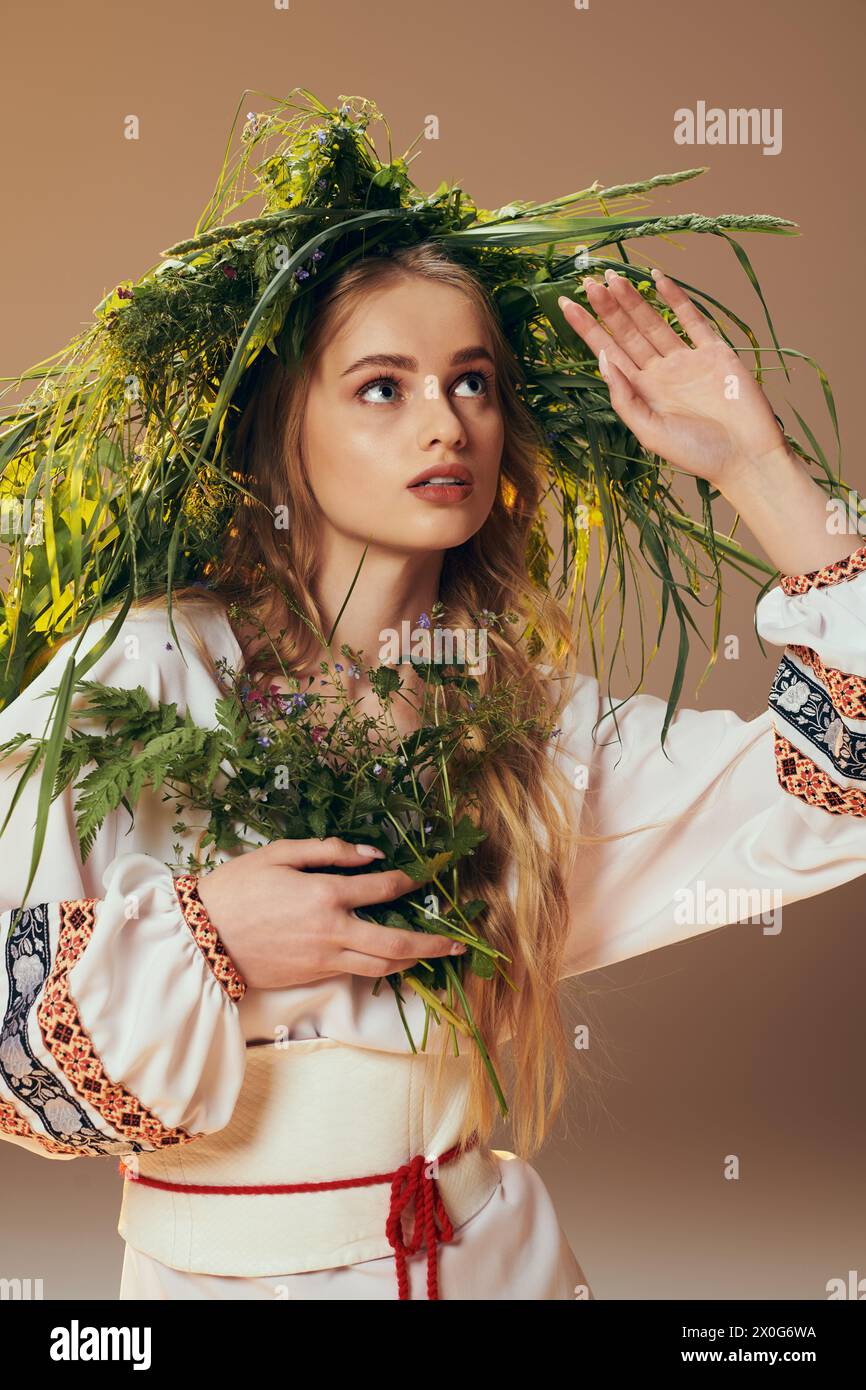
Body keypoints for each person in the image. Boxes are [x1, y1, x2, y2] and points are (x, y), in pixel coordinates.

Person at [1, 238, 864, 1301]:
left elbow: (831, 783)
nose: (445, 422)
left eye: (471, 382)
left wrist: (753, 467)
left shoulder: (533, 726)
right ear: (286, 429)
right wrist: (210, 935)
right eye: (380, 387)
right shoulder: (148, 669)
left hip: (491, 1267)